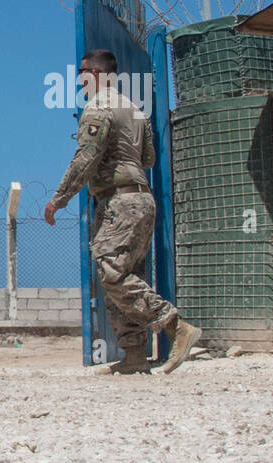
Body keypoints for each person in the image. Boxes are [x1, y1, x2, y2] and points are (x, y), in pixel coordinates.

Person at [44, 49, 200, 374]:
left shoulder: (98, 108)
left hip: (119, 201)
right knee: (131, 275)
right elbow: (148, 159)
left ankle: (174, 324)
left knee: (110, 270)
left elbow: (85, 158)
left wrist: (59, 198)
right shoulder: (134, 110)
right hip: (142, 199)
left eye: (82, 73)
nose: (79, 81)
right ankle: (133, 355)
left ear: (98, 74)